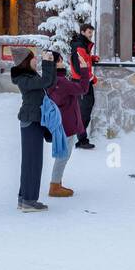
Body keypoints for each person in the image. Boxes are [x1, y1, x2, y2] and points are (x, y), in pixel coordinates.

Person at [11, 49, 58, 212]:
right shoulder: (23, 79)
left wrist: (51, 63)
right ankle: (29, 200)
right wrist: (47, 63)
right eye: (33, 58)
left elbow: (49, 83)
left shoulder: (30, 76)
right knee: (32, 162)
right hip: (30, 121)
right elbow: (45, 81)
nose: (36, 60)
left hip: (35, 120)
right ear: (25, 61)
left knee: (33, 161)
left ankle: (24, 198)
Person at [43, 55, 93, 197]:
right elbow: (83, 88)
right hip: (67, 124)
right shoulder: (62, 82)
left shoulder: (52, 81)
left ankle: (57, 183)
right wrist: (84, 69)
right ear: (54, 64)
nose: (62, 61)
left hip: (60, 123)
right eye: (59, 60)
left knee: (62, 154)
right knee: (63, 155)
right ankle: (55, 185)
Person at [70, 24, 99, 150]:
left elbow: (84, 60)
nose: (91, 34)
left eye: (92, 32)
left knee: (86, 108)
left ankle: (80, 135)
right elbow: (78, 66)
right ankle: (81, 139)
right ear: (82, 32)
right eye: (89, 32)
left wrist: (92, 58)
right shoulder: (79, 46)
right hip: (81, 82)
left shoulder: (83, 45)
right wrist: (91, 77)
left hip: (84, 82)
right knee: (83, 111)